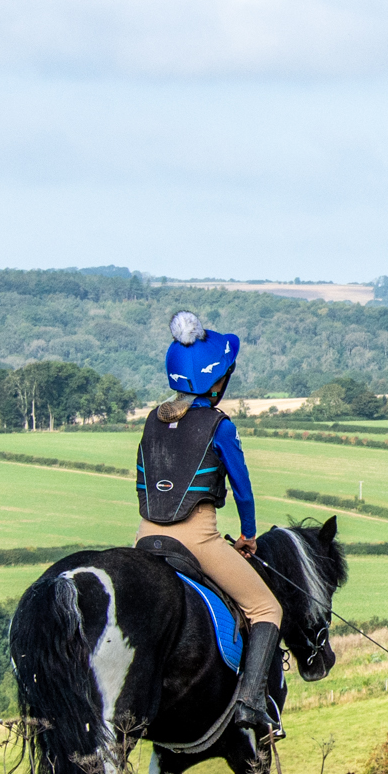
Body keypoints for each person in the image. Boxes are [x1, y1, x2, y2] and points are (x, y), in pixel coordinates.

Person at [137, 312, 285, 734]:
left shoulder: (153, 419)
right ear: (217, 382)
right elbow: (242, 488)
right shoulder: (220, 426)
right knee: (266, 608)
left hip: (146, 536)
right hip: (197, 538)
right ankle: (252, 705)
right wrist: (249, 534)